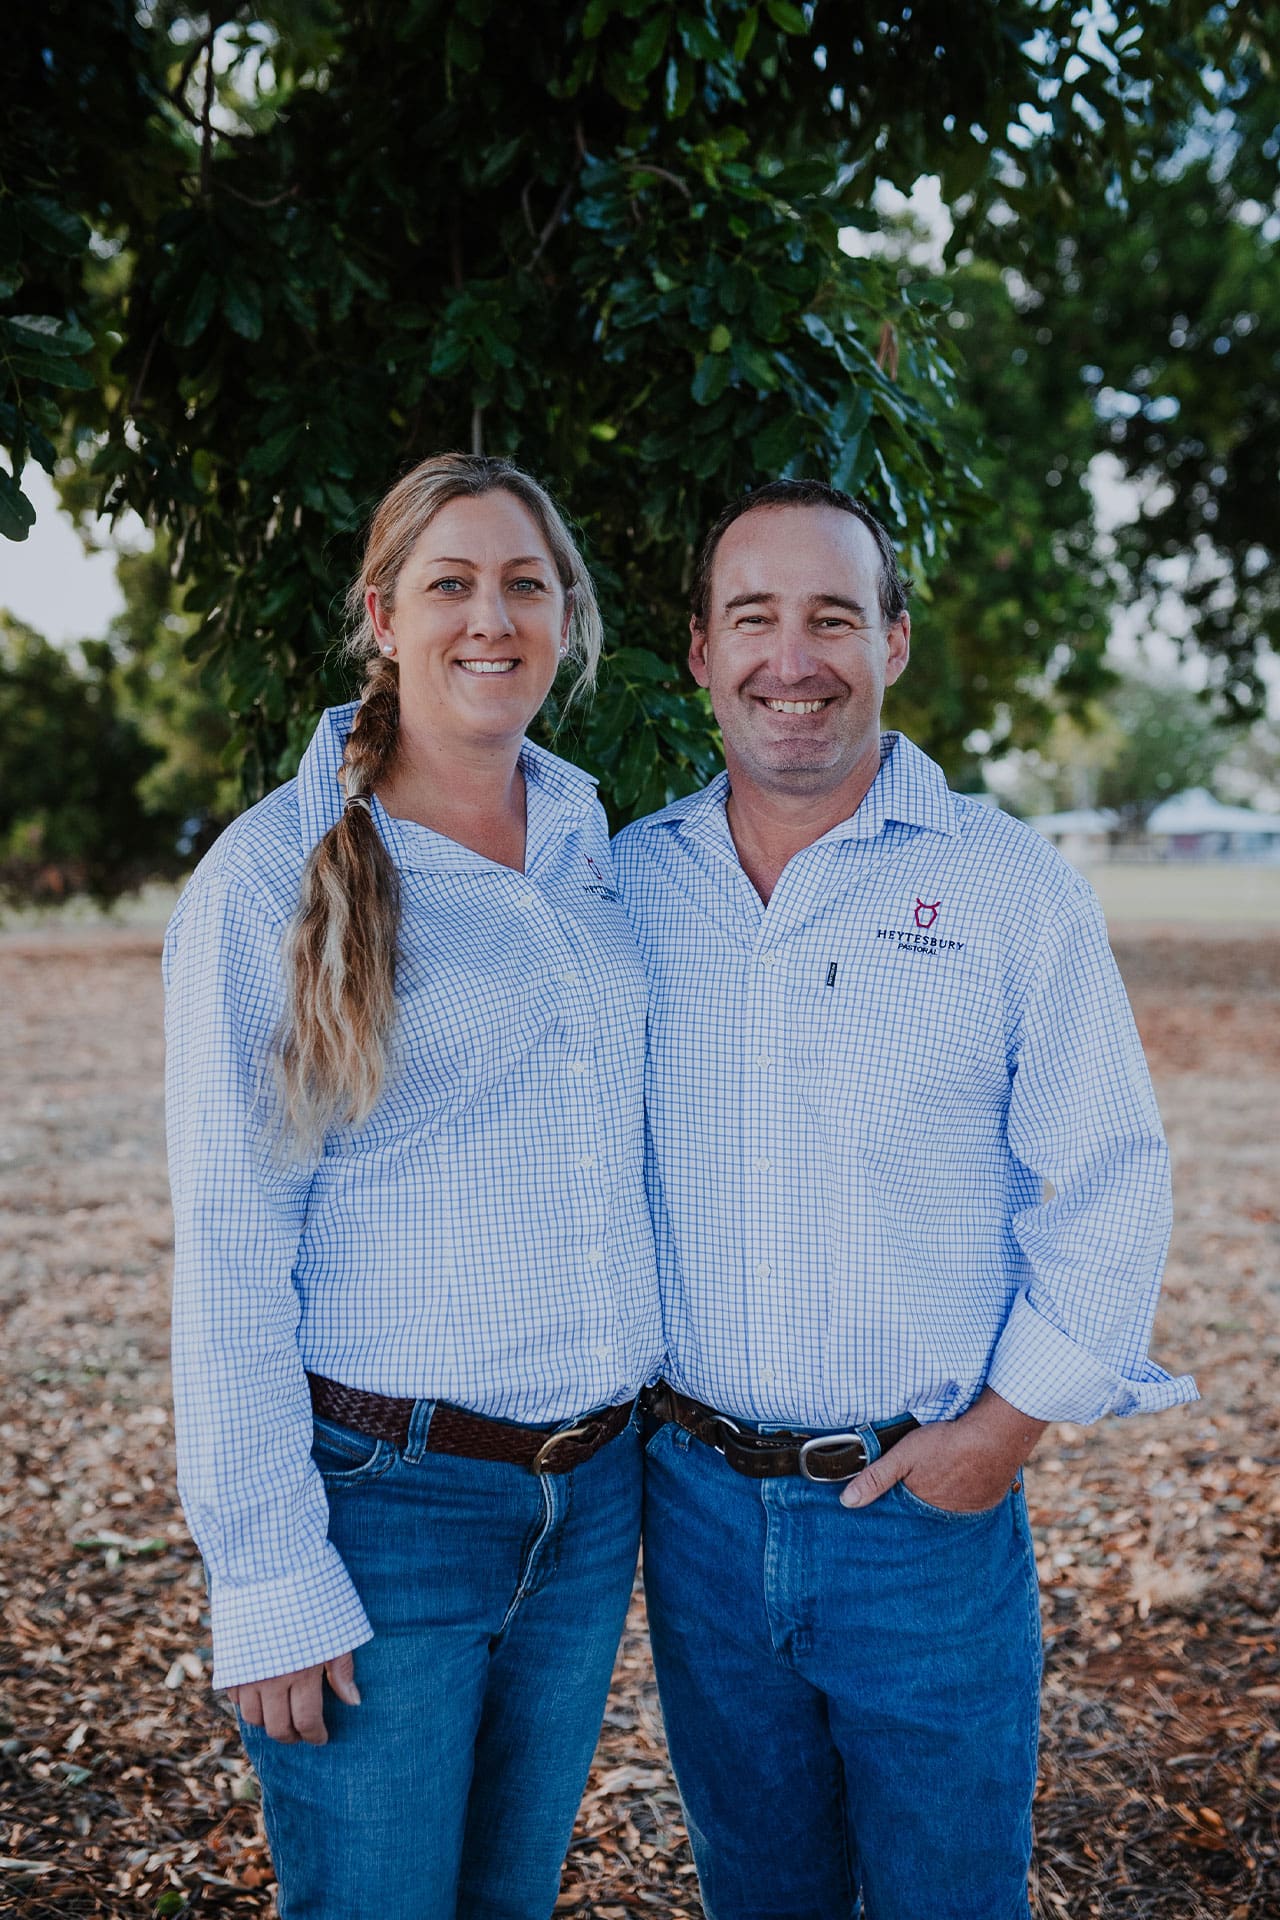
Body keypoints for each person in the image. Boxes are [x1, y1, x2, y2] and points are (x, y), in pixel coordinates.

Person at [614, 478, 1198, 1920]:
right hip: (690, 1510)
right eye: (752, 616)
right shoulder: (627, 885)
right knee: (760, 1899)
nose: (791, 656)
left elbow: (1111, 1177)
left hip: (921, 1518)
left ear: (895, 642)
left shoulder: (1005, 884)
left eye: (832, 616)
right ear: (698, 650)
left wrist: (1002, 1433)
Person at [163, 453, 661, 1920]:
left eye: (525, 583)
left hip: (589, 1502)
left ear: (566, 617)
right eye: (452, 583)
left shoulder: (590, 848)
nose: (490, 617)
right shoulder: (269, 880)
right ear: (382, 614)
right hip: (385, 1508)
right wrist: (261, 1571)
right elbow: (231, 1247)